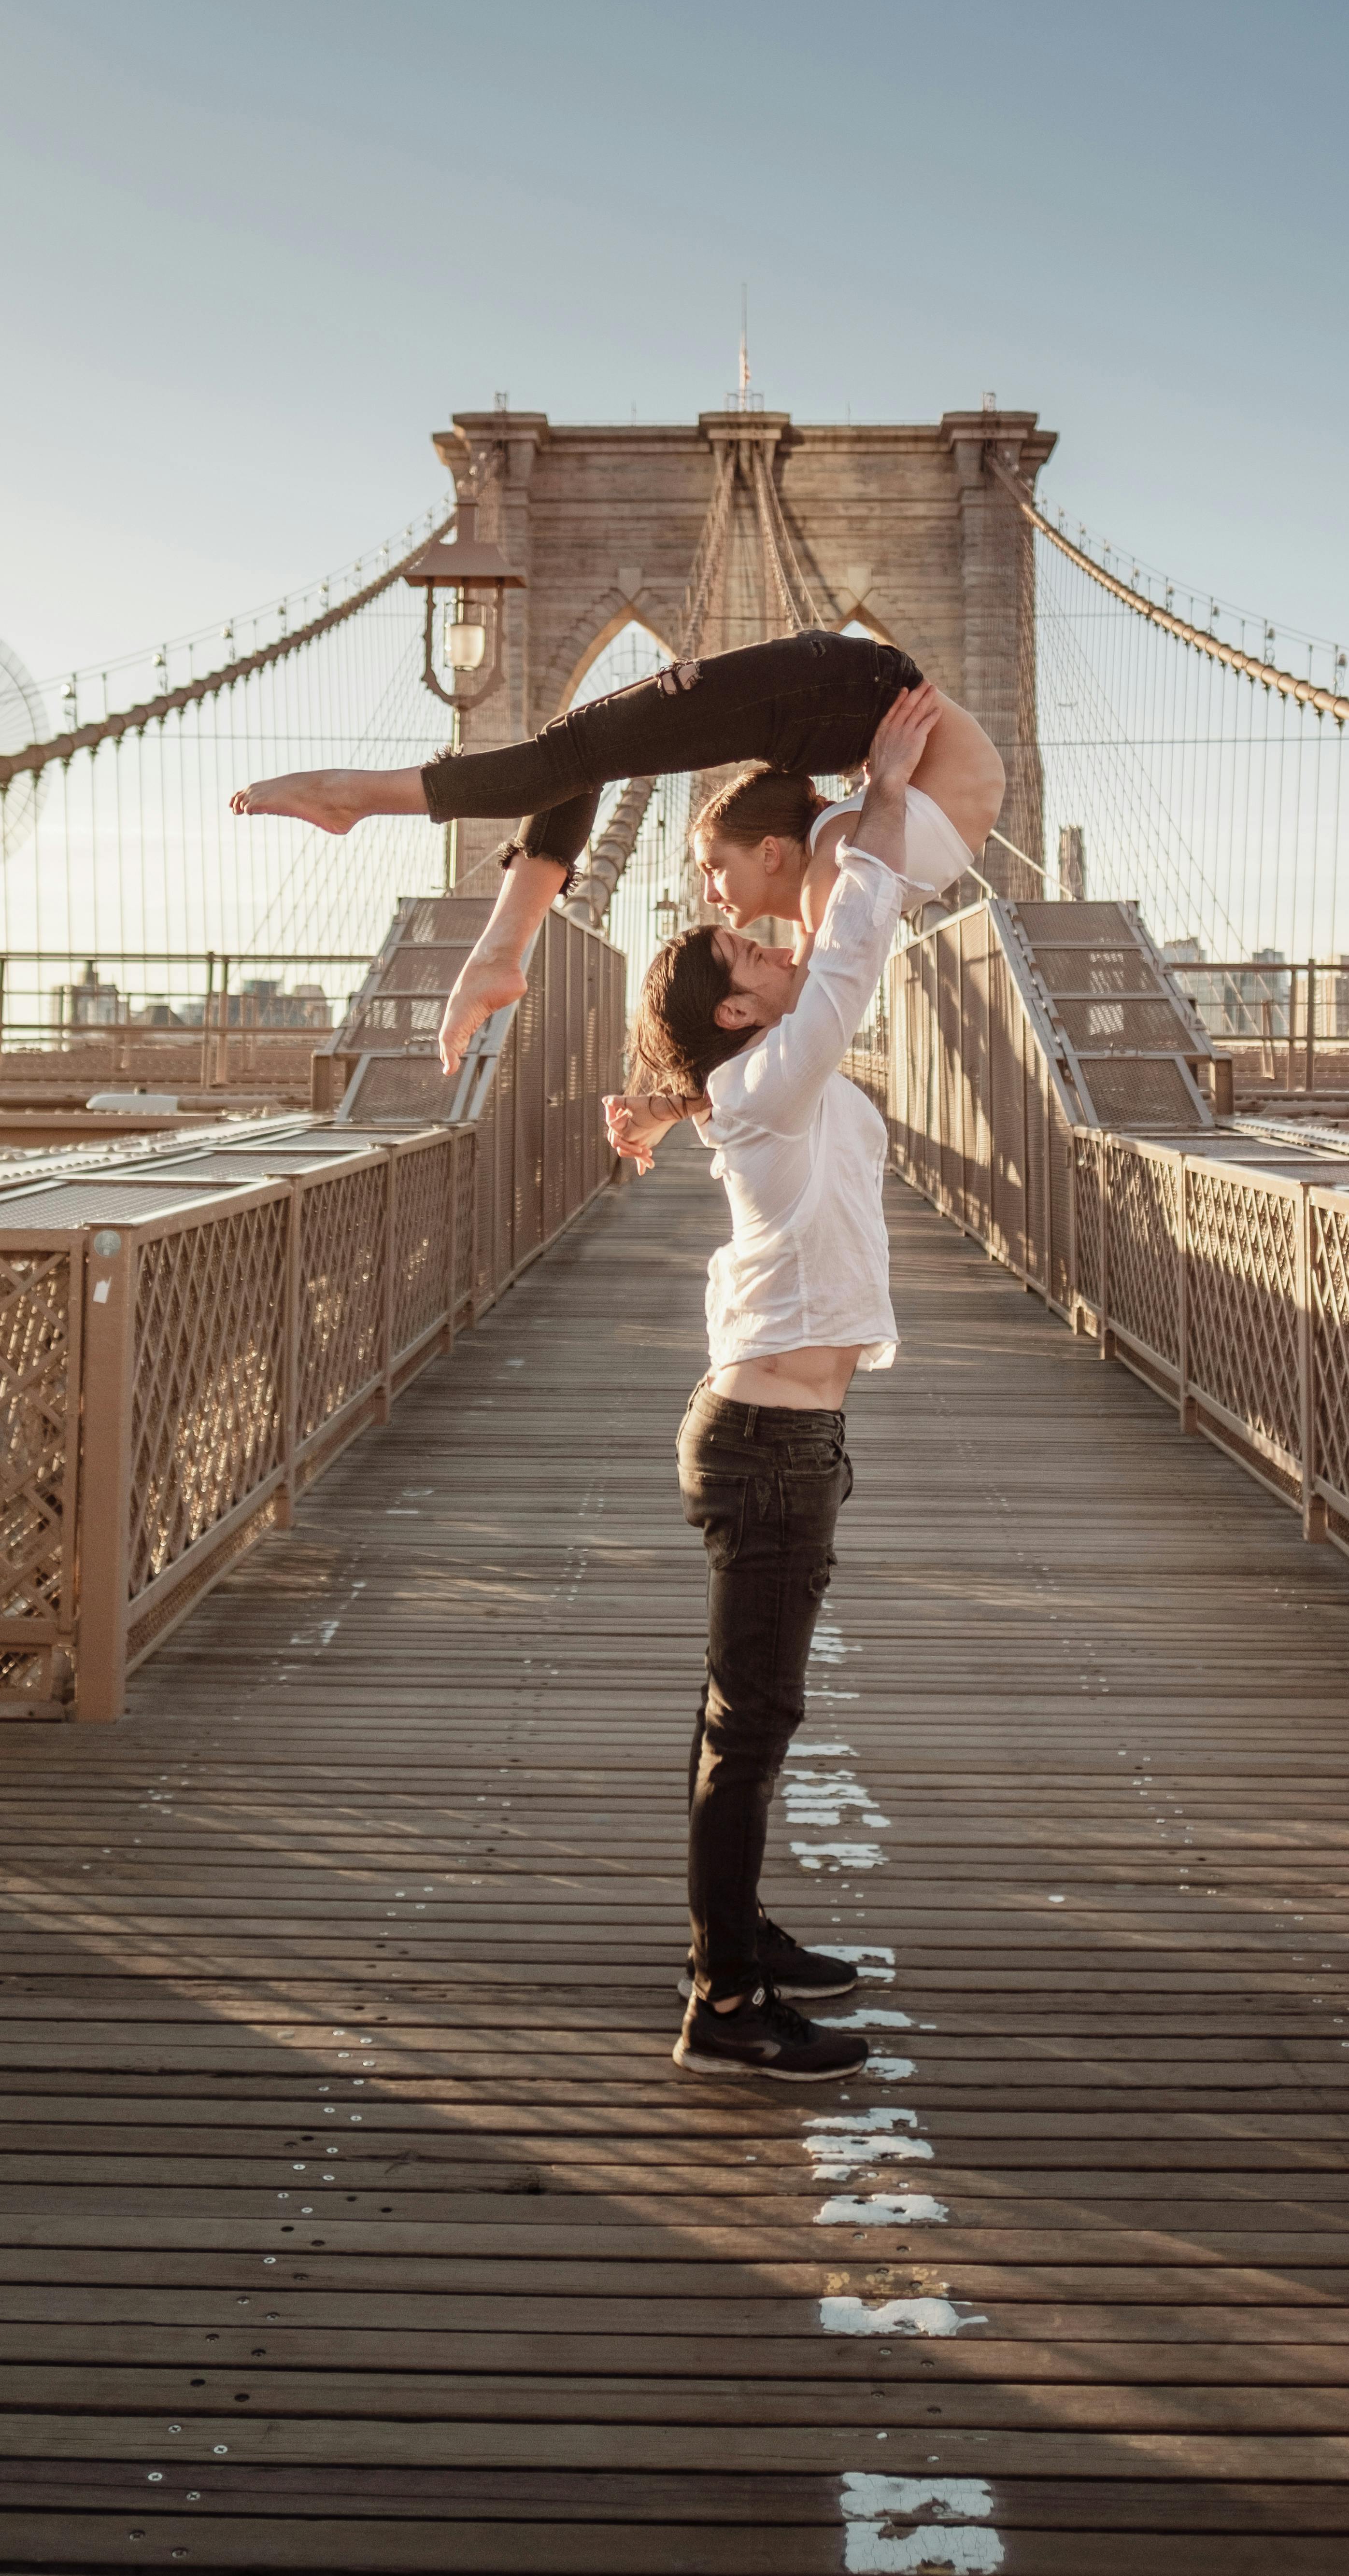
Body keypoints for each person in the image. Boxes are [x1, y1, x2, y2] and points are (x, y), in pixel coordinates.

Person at [612, 682, 938, 2083]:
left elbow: (809, 1000)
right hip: (762, 1440)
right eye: (750, 944)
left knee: (743, 1721)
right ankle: (723, 2003)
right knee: (748, 1732)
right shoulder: (765, 1085)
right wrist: (867, 813)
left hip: (783, 1437)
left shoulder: (761, 1087)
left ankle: (735, 1929)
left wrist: (667, 1095)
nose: (774, 940)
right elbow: (848, 959)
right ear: (741, 1007)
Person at [231, 625, 1004, 1070]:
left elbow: (807, 1000)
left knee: (581, 755)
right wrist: (891, 781)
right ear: (771, 850)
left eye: (711, 871)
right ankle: (358, 800)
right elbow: (821, 994)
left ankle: (498, 948)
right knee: (574, 754)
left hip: (848, 710)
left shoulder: (827, 894)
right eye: (712, 870)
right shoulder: (838, 884)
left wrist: (671, 1101)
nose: (712, 897)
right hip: (850, 692)